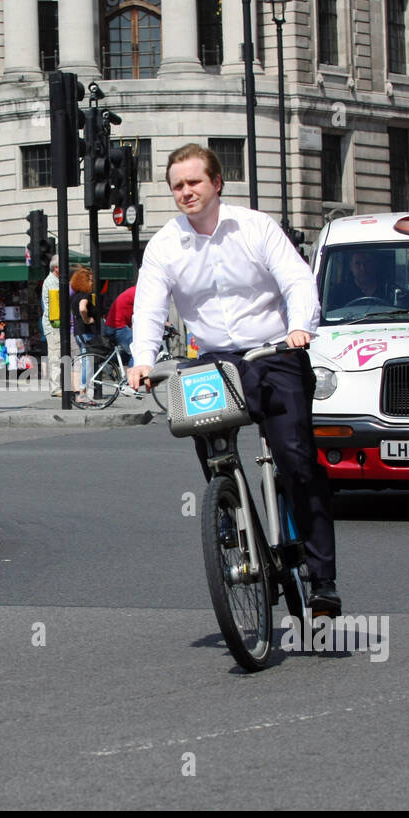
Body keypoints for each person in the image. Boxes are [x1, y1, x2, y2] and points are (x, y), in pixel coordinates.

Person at [128, 143, 340, 615]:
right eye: (178, 186)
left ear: (216, 183)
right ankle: (230, 517)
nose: (186, 192)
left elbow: (296, 279)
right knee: (211, 444)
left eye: (194, 182)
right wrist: (142, 359)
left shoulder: (254, 227)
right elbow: (149, 306)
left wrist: (300, 325)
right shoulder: (165, 244)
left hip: (275, 350)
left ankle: (322, 580)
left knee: (297, 461)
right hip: (217, 359)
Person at [70, 267, 98, 394]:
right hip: (86, 331)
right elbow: (82, 308)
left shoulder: (74, 296)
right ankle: (83, 390)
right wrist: (87, 319)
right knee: (88, 362)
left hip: (78, 332)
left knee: (85, 360)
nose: (92, 283)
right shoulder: (85, 296)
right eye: (90, 280)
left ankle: (84, 389)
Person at [40, 260, 62, 397]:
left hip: (55, 323)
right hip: (54, 324)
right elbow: (56, 303)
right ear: (56, 268)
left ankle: (59, 385)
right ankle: (56, 387)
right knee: (55, 355)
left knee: (58, 354)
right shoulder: (52, 282)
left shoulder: (54, 280)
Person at [104, 284, 136, 359]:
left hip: (114, 326)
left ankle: (109, 363)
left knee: (127, 353)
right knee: (136, 352)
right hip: (117, 327)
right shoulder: (137, 293)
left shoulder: (134, 291)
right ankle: (133, 370)